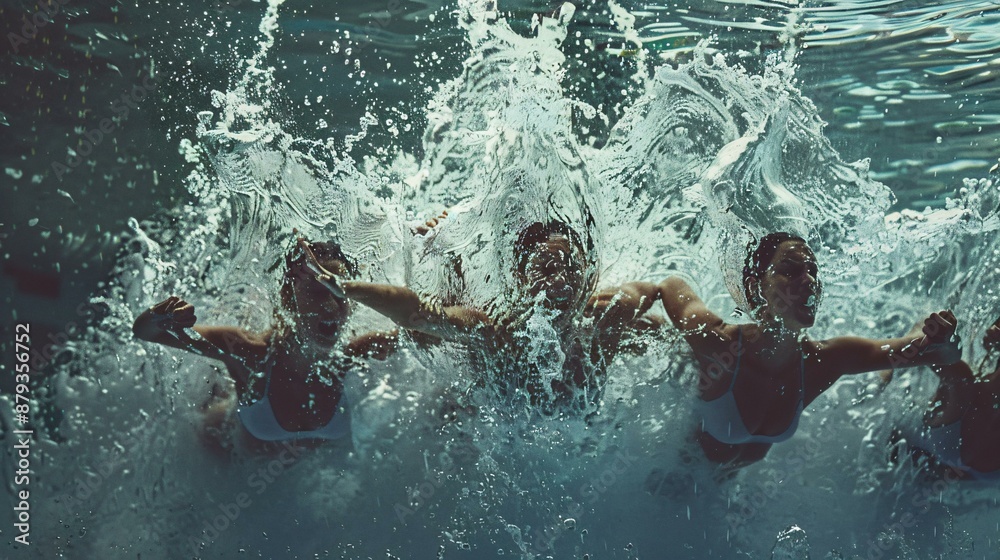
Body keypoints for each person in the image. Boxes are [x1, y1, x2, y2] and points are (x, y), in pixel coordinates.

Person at [591, 232, 962, 467]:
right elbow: (670, 285)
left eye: (813, 271)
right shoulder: (717, 341)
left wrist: (937, 339)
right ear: (757, 287)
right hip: (674, 478)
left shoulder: (824, 361)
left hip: (720, 493)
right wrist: (631, 295)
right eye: (791, 270)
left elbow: (934, 355)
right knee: (656, 336)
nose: (809, 280)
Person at [309, 220, 663, 410]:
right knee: (424, 339)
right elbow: (417, 313)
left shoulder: (607, 314)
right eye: (545, 268)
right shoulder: (497, 333)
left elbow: (665, 288)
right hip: (472, 399)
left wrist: (684, 329)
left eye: (571, 268)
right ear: (521, 278)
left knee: (648, 330)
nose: (560, 280)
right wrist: (349, 289)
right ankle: (443, 248)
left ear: (588, 274)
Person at [132, 236, 399, 455]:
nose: (331, 306)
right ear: (287, 298)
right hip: (225, 456)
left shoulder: (357, 354)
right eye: (317, 292)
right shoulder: (250, 352)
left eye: (341, 293)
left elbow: (419, 329)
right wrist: (163, 315)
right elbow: (146, 332)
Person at [887, 318, 1000, 481]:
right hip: (972, 469)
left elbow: (923, 339)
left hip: (908, 448)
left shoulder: (962, 384)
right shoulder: (964, 386)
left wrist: (936, 337)